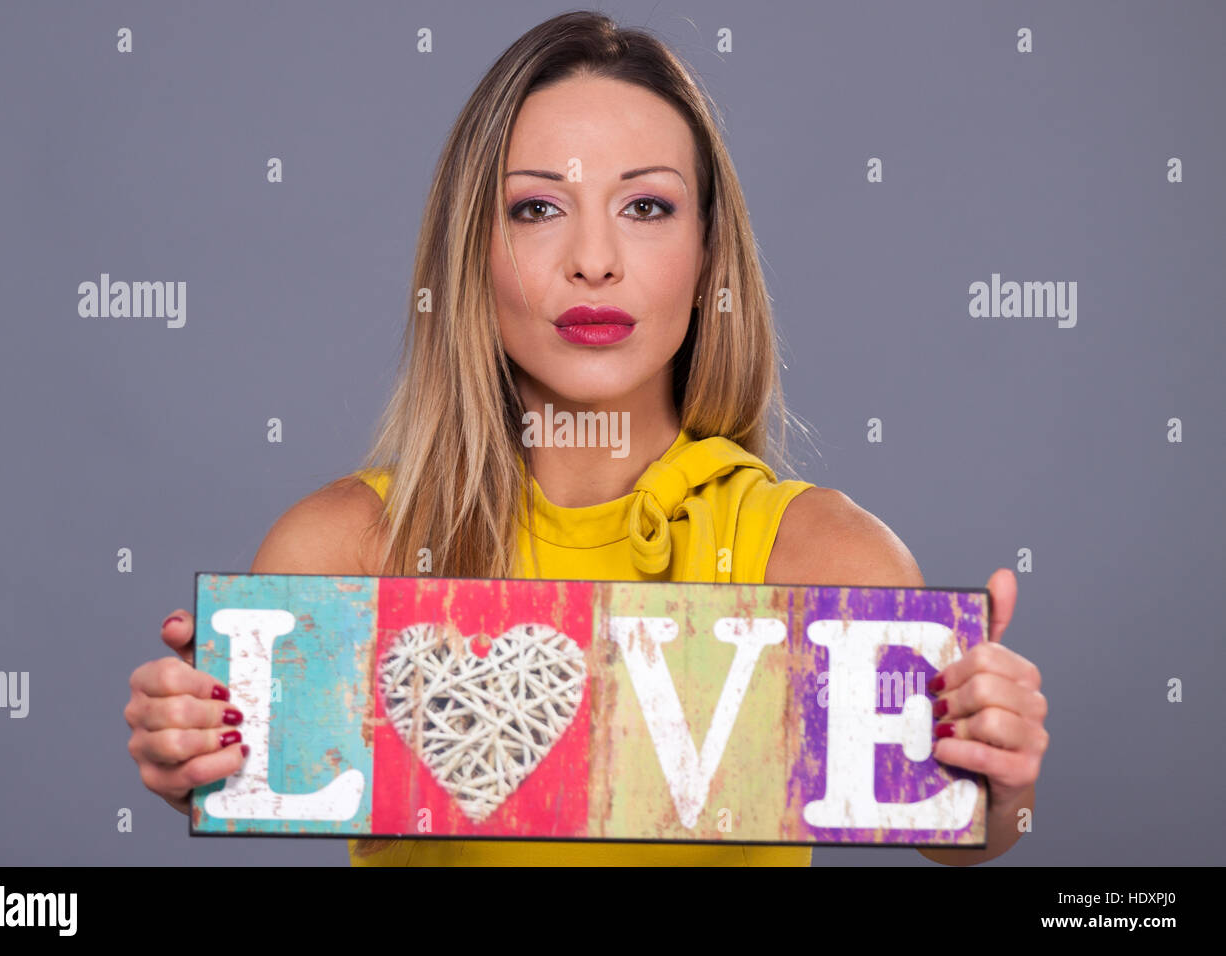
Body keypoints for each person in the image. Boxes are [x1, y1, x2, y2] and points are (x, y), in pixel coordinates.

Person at [124, 10, 1049, 866]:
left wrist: (997, 778)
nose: (594, 259)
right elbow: (242, 769)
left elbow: (954, 829)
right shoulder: (341, 553)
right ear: (471, 255)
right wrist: (192, 745)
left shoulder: (829, 562)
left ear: (705, 257)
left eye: (646, 207)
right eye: (537, 208)